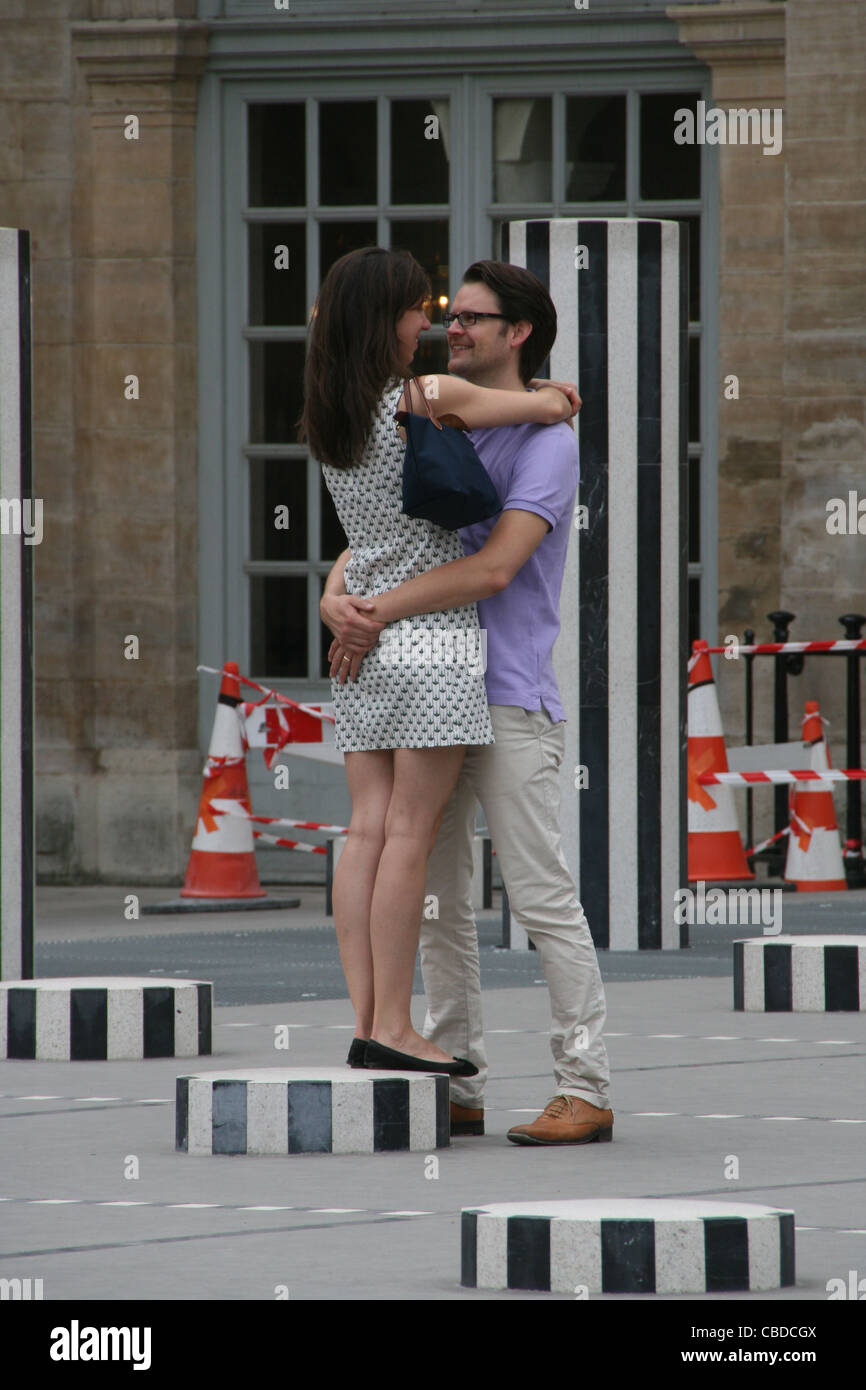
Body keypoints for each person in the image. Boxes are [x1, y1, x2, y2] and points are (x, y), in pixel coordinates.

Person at [322, 259, 613, 1145]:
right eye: (449, 316)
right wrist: (336, 593)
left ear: (518, 333)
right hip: (429, 681)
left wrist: (367, 612)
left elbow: (490, 569)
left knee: (541, 896)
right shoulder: (432, 407)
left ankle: (585, 1082)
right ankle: (454, 1073)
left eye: (475, 319)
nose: (456, 327)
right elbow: (383, 536)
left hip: (506, 688)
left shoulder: (544, 444)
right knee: (437, 897)